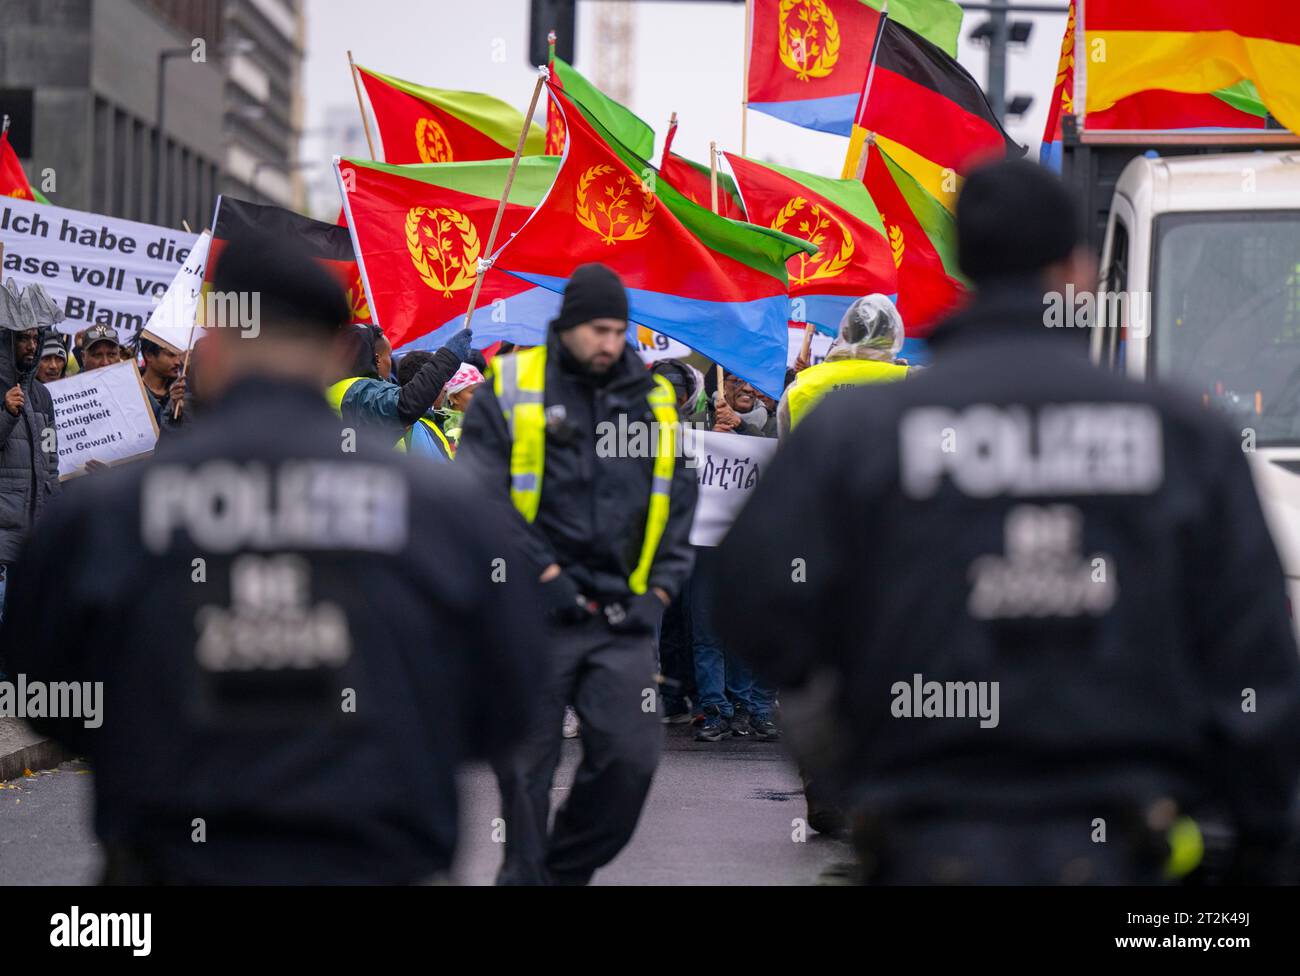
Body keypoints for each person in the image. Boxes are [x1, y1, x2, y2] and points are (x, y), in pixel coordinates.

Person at [713, 159, 1300, 885]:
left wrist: (850, 725)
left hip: (924, 832)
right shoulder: (1183, 435)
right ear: (1080, 270)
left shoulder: (862, 432)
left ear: (966, 265)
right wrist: (1259, 837)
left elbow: (748, 601)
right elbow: (1256, 663)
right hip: (1122, 842)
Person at [0, 231, 544, 884]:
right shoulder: (445, 513)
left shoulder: (104, 514)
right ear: (341, 352)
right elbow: (510, 702)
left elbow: (43, 693)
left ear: (210, 351)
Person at [458, 262, 698, 885]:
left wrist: (663, 589)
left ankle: (555, 874)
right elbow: (480, 498)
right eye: (597, 329)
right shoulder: (511, 387)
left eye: (619, 331)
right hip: (530, 616)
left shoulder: (653, 403)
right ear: (565, 326)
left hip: (621, 619)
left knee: (631, 761)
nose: (609, 344)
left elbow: (678, 503)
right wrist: (546, 576)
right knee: (525, 776)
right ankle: (527, 874)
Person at [689, 367, 779, 743]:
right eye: (734, 380)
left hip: (749, 548)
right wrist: (712, 437)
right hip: (705, 549)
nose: (744, 386)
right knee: (707, 634)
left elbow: (776, 459)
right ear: (717, 389)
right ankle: (715, 710)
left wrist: (741, 429)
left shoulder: (774, 422)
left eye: (749, 381)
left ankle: (751, 709)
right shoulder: (696, 425)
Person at [0, 279, 61, 651]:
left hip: (32, 533)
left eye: (36, 338)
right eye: (23, 338)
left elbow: (50, 458)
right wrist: (5, 412)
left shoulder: (41, 395)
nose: (32, 346)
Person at [776, 295, 910, 439]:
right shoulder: (910, 381)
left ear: (845, 333)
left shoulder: (800, 386)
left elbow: (786, 453)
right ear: (893, 336)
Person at [326, 323, 468, 449]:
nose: (392, 362)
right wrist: (448, 357)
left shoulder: (339, 391)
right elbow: (406, 404)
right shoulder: (356, 391)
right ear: (378, 359)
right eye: (390, 354)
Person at [393, 350, 454, 463]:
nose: (445, 389)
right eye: (440, 381)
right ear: (426, 385)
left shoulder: (430, 420)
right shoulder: (411, 427)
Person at [137, 336, 191, 433]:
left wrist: (176, 414)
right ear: (149, 355)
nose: (178, 362)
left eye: (179, 355)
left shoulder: (183, 392)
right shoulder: (132, 389)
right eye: (171, 355)